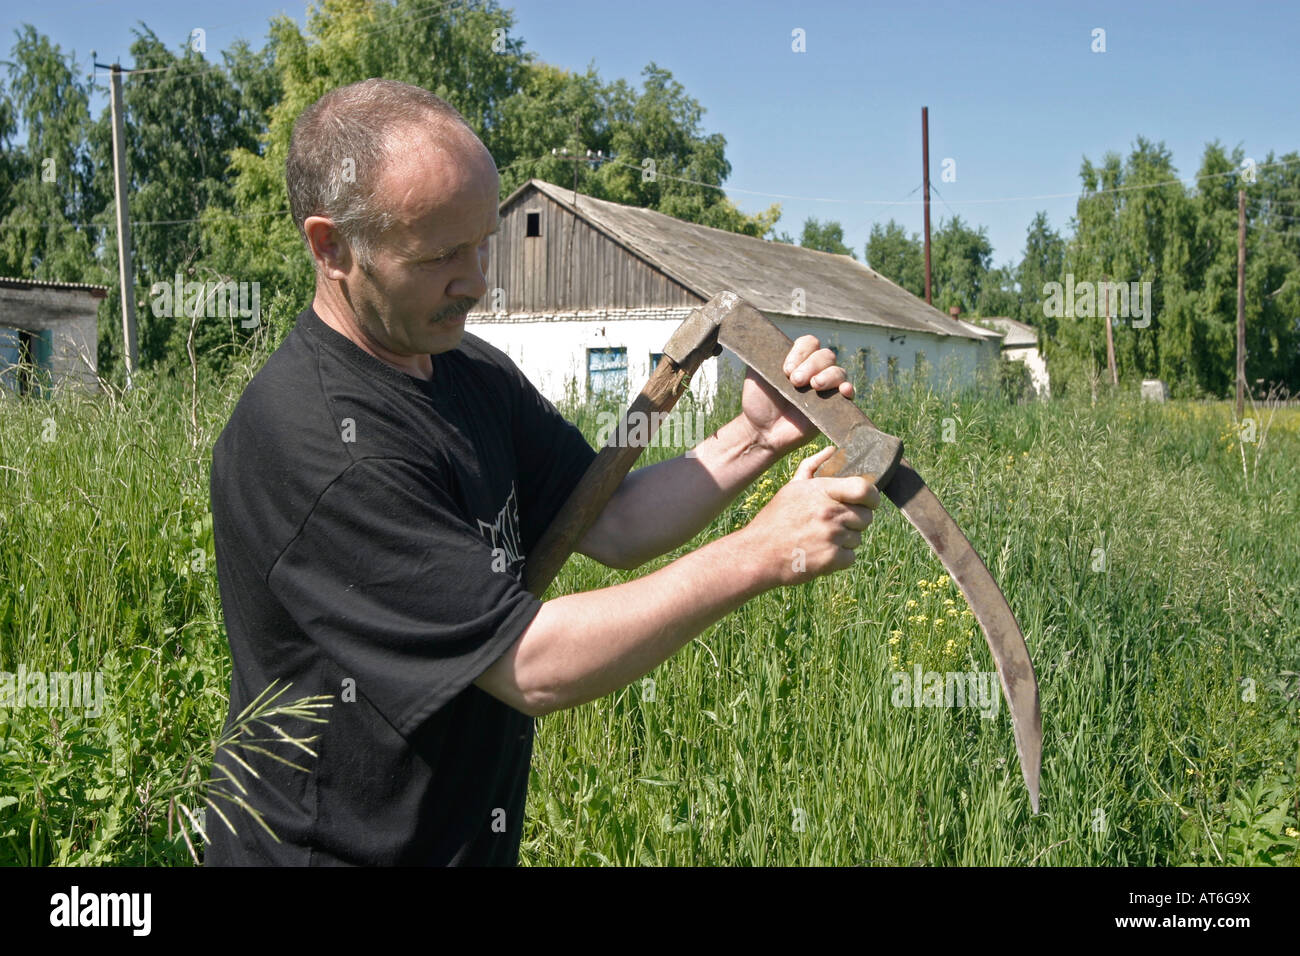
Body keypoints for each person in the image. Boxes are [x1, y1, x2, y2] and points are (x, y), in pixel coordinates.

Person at [204, 78, 880, 866]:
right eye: (441, 256)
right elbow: (532, 664)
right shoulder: (320, 446)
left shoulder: (464, 369)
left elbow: (614, 520)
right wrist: (761, 551)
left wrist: (754, 438)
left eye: (482, 243)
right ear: (332, 248)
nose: (478, 282)